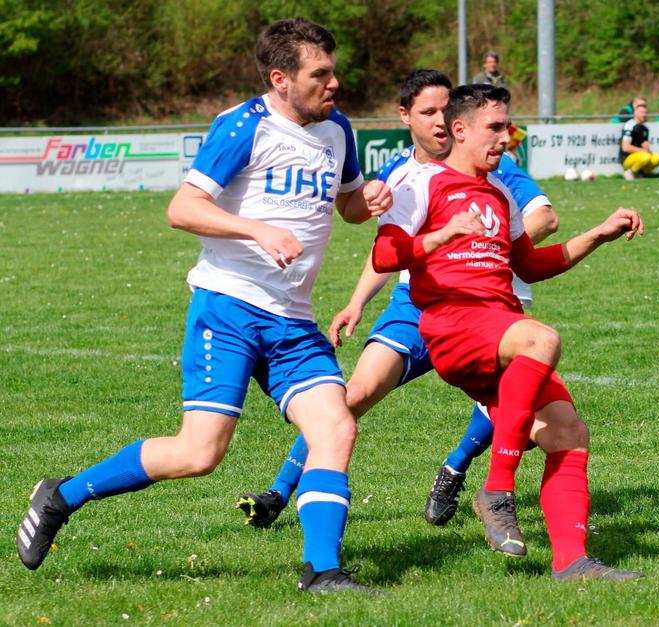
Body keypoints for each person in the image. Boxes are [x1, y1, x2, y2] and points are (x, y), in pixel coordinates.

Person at [14, 18, 391, 594]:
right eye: (320, 74)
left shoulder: (337, 129)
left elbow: (349, 206)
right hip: (229, 309)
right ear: (280, 79)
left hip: (293, 320)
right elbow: (183, 208)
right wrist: (257, 229)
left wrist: (370, 199)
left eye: (333, 71)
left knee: (336, 429)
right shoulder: (243, 126)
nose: (334, 83)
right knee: (199, 453)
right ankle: (61, 496)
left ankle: (321, 570)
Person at [235, 69, 560, 530]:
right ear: (405, 116)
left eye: (445, 109)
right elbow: (390, 248)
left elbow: (544, 217)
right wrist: (357, 301)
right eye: (429, 112)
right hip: (413, 306)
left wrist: (485, 248)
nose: (440, 121)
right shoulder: (400, 172)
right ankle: (279, 492)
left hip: (486, 306)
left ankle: (456, 466)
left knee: (521, 412)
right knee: (355, 394)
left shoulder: (492, 163)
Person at [371, 83, 645, 582]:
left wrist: (597, 235)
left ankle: (572, 562)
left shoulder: (500, 193)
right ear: (459, 130)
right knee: (542, 338)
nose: (505, 138)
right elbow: (384, 254)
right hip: (452, 323)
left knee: (568, 432)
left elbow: (531, 265)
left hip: (498, 325)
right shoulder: (419, 182)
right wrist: (442, 235)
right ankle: (497, 488)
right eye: (494, 128)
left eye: (508, 127)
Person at [619, 103, 659, 179]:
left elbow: (643, 145)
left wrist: (646, 147)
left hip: (639, 154)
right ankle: (630, 172)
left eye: (645, 113)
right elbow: (625, 147)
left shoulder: (645, 128)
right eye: (641, 112)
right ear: (635, 113)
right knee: (645, 156)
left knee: (657, 158)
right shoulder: (630, 125)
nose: (644, 115)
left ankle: (641, 174)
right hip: (626, 157)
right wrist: (643, 150)